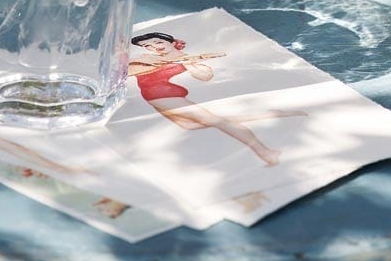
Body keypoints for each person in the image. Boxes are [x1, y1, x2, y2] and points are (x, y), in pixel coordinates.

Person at [128, 31, 303, 167]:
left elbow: (204, 76)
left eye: (158, 42)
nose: (154, 47)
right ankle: (270, 114)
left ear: (172, 42)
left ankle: (266, 152)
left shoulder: (187, 59)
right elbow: (131, 71)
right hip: (152, 97)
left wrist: (188, 63)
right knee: (191, 125)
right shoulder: (147, 59)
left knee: (218, 122)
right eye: (148, 46)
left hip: (166, 94)